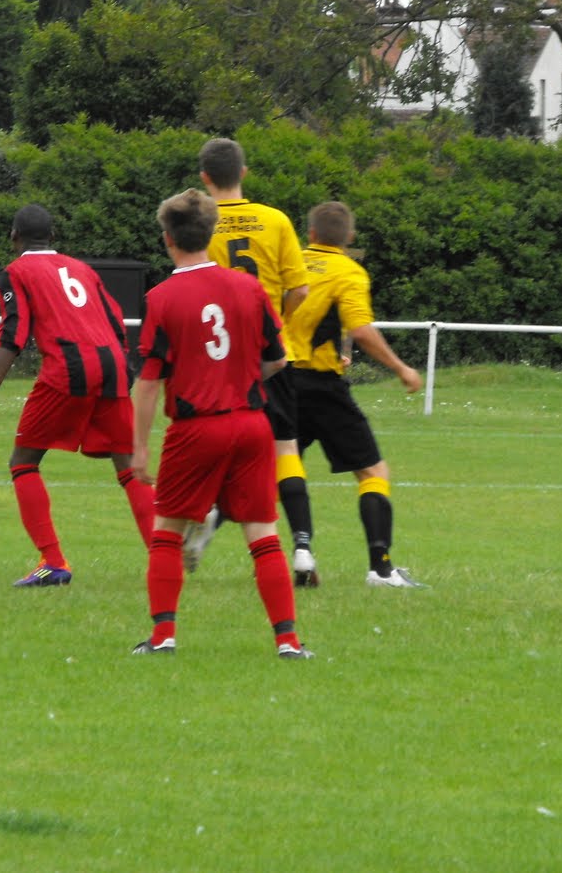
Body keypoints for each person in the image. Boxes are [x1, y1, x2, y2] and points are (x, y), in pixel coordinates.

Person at [129, 188, 312, 658]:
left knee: (167, 532)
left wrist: (139, 447)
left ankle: (163, 637)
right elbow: (275, 360)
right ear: (210, 234)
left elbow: (149, 382)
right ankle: (288, 642)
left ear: (168, 239)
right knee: (263, 534)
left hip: (196, 428)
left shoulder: (161, 298)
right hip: (252, 424)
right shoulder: (249, 289)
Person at [0, 204, 156, 586]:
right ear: (53, 237)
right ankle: (164, 553)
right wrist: (124, 368)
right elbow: (116, 319)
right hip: (113, 365)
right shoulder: (82, 269)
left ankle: (53, 561)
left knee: (24, 462)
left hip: (69, 368)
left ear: (13, 237)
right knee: (129, 467)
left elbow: (13, 333)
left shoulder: (15, 272)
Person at [187, 136, 320, 586]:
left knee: (222, 444)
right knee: (284, 448)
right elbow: (300, 289)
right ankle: (302, 549)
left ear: (205, 178)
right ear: (243, 172)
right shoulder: (276, 220)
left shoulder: (199, 224)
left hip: (218, 356)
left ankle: (206, 513)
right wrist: (276, 322)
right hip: (272, 355)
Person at [287, 201, 427, 587]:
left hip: (281, 381)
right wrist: (401, 368)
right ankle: (380, 567)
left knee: (285, 465)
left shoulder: (291, 262)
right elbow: (361, 329)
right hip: (323, 385)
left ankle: (301, 550)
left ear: (310, 234)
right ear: (349, 237)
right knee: (372, 471)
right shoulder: (349, 270)